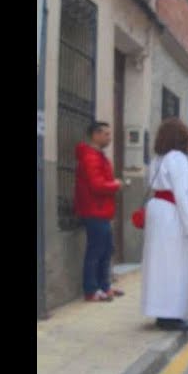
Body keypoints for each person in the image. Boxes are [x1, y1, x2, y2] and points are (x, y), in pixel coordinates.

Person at [140, 118, 188, 331]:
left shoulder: (159, 158)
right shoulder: (177, 158)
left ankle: (160, 310)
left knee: (159, 264)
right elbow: (182, 194)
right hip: (172, 214)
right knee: (174, 264)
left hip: (158, 211)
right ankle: (171, 314)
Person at [74, 121, 122, 302]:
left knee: (106, 249)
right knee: (96, 251)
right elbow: (97, 185)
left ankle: (105, 286)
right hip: (94, 210)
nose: (109, 138)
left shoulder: (98, 156)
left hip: (102, 210)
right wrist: (116, 184)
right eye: (106, 134)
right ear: (95, 135)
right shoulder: (90, 157)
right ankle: (91, 290)